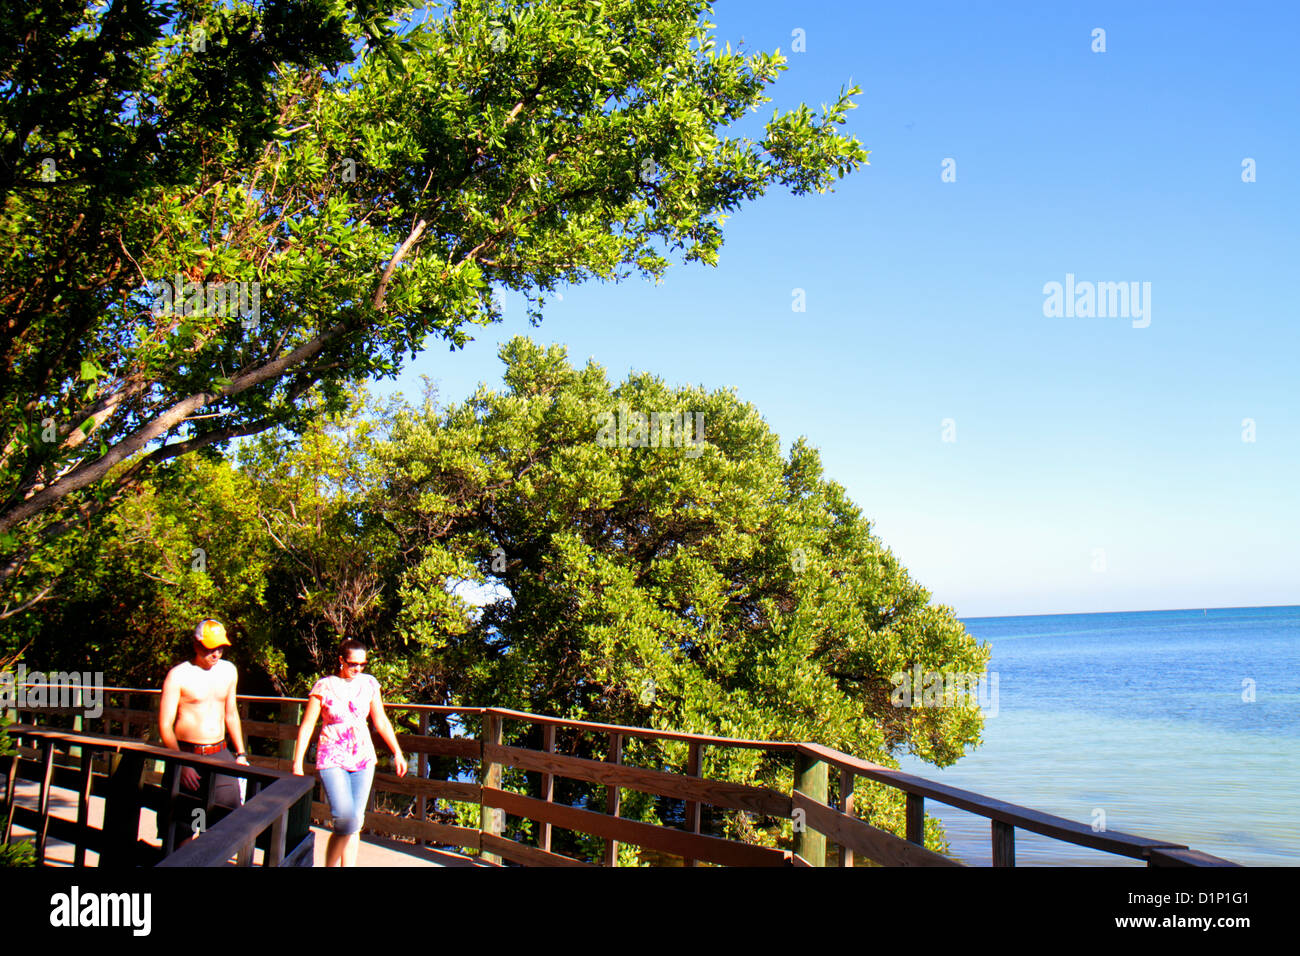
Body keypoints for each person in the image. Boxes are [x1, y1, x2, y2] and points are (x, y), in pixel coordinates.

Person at [292, 639, 407, 866]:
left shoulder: (370, 684)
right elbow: (307, 725)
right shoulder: (323, 686)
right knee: (344, 821)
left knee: (356, 822)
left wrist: (397, 751)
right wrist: (297, 763)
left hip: (362, 757)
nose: (358, 669)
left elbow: (380, 720)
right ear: (341, 660)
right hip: (332, 756)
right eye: (353, 663)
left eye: (362, 664)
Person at [158, 619, 249, 829]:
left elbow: (231, 713)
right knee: (182, 828)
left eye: (220, 648)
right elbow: (165, 725)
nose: (215, 654)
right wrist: (181, 763)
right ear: (196, 645)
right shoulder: (178, 675)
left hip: (220, 752)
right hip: (186, 752)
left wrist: (241, 754)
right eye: (210, 648)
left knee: (228, 824)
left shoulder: (229, 671)